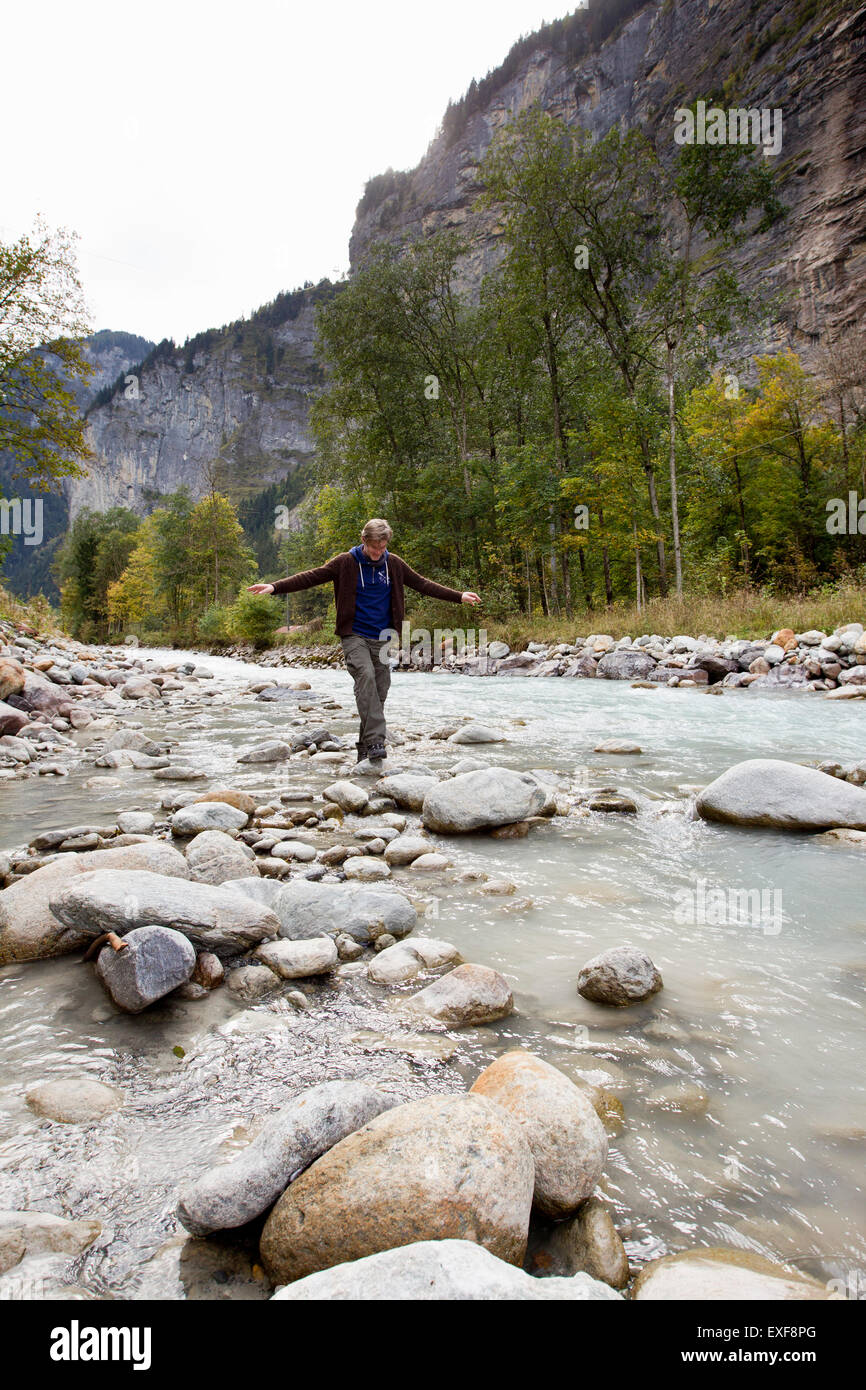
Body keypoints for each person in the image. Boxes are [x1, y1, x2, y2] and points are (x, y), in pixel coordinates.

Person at [247, 518, 481, 763]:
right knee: (366, 677)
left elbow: (422, 584)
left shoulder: (394, 564)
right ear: (363, 541)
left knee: (379, 690)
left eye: (382, 547)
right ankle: (377, 741)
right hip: (354, 635)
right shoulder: (345, 562)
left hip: (382, 638)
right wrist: (275, 587)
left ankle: (364, 747)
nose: (377, 553)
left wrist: (459, 596)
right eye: (373, 548)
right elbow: (311, 577)